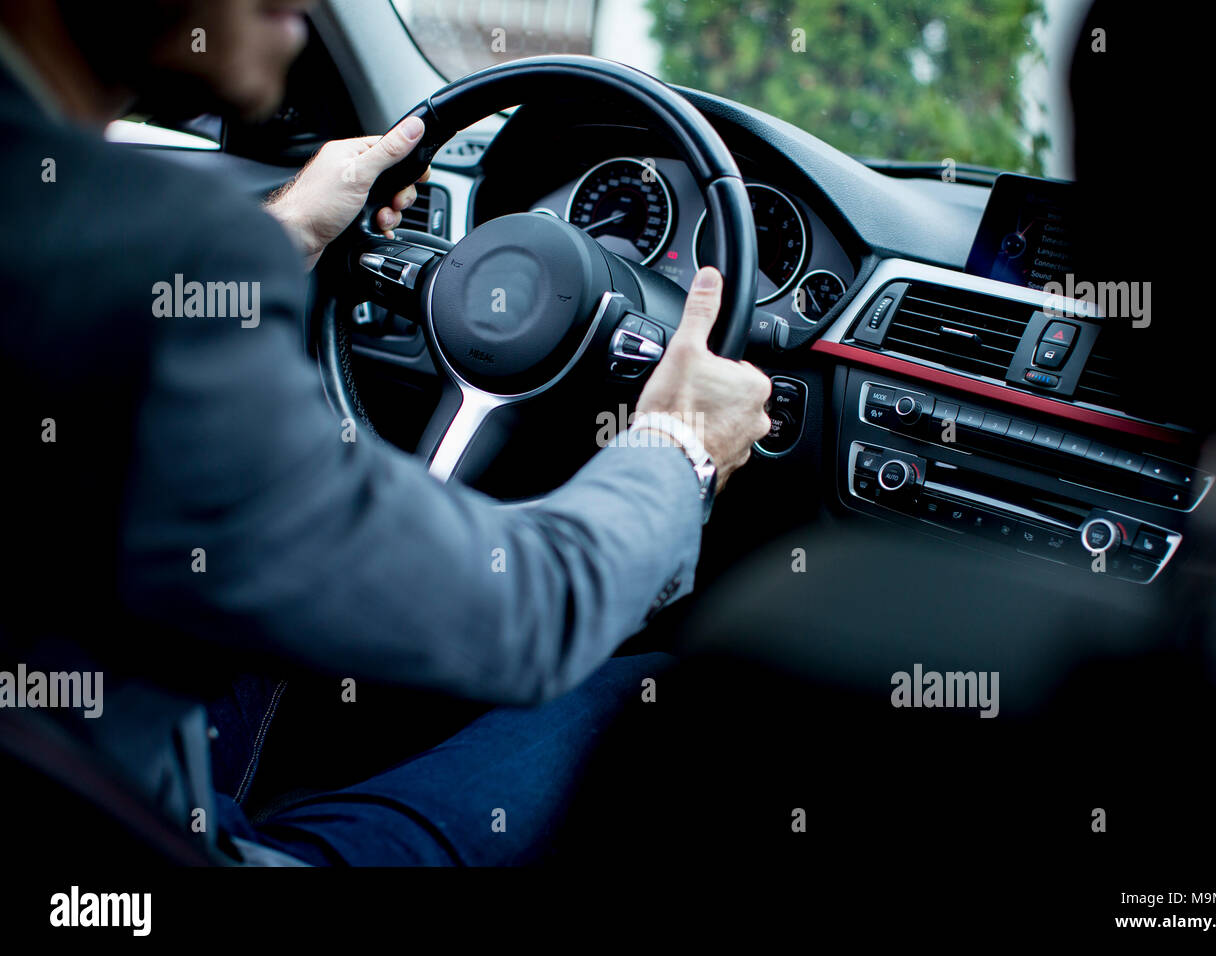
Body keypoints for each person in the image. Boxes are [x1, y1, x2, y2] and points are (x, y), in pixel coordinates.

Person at [0, 0, 771, 865]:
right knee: (647, 685)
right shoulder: (154, 244)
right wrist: (682, 444)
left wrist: (289, 226)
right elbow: (534, 611)